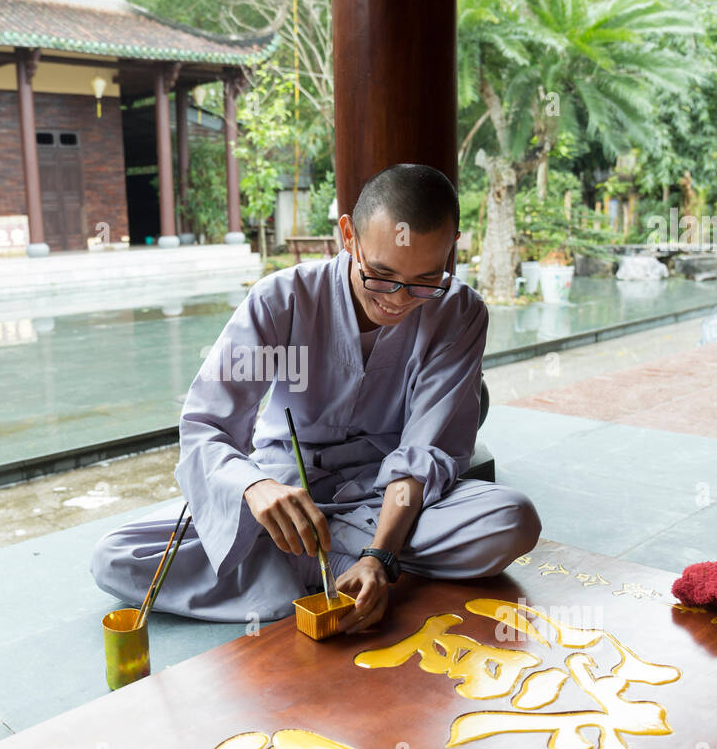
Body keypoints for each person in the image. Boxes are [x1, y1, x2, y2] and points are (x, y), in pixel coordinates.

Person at [89, 163, 541, 634]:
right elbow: (207, 425)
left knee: (510, 521)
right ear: (349, 235)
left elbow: (424, 452)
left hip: (383, 498)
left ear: (451, 251)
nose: (399, 300)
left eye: (425, 280)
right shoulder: (280, 301)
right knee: (117, 557)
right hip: (285, 489)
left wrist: (381, 555)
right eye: (381, 276)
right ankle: (321, 564)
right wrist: (253, 487)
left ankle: (305, 568)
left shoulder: (459, 313)